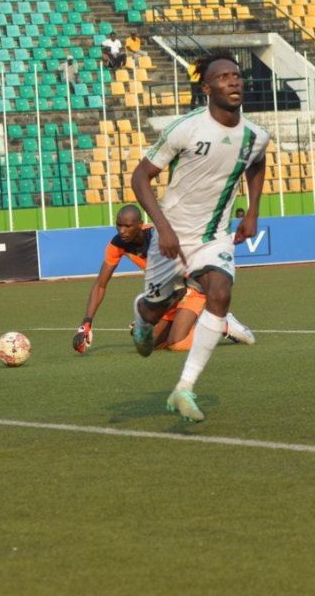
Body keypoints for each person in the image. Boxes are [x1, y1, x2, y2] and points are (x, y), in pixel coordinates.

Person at [130, 52, 270, 422]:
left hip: (214, 236)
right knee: (156, 308)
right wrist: (162, 227)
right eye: (223, 77)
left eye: (237, 75)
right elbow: (140, 177)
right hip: (171, 238)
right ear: (206, 89)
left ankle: (184, 387)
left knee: (220, 292)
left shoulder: (256, 135)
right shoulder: (186, 129)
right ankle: (142, 315)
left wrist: (253, 212)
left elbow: (257, 164)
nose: (234, 81)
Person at [72, 204, 253, 355]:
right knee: (149, 344)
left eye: (127, 226)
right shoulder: (117, 244)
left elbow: (180, 288)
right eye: (118, 226)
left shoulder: (159, 241)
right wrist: (86, 323)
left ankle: (220, 325)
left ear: (140, 225)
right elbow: (100, 285)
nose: (122, 231)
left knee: (176, 343)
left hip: (193, 287)